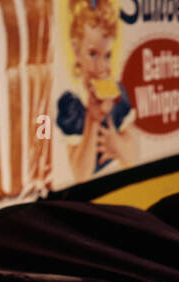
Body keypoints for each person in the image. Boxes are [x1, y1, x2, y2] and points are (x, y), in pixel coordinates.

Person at [57, 0, 138, 183]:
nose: (102, 67)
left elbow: (132, 154)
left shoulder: (118, 94)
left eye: (108, 55)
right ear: (76, 50)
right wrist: (92, 120)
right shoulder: (70, 103)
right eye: (93, 54)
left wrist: (116, 144)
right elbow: (79, 174)